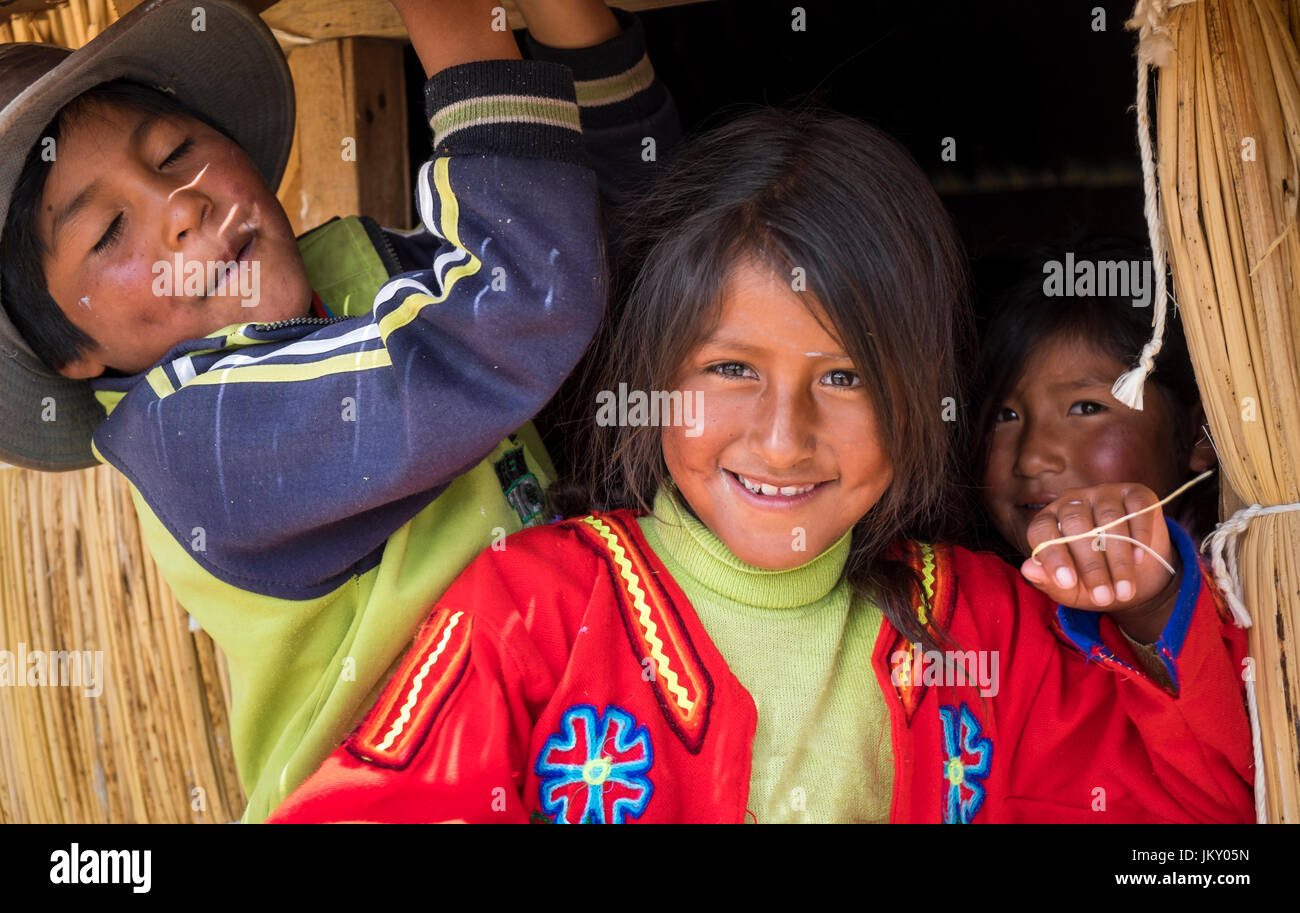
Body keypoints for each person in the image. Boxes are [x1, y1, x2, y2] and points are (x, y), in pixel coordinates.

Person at [268, 110, 1254, 824]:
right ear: (653, 368)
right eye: (731, 368)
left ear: (920, 388)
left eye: (845, 376)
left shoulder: (981, 629)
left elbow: (1205, 813)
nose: (782, 438)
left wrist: (1145, 608)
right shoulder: (530, 615)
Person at [0, 0, 678, 822]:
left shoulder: (361, 275)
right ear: (76, 355)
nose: (181, 206)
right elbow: (522, 301)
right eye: (109, 231)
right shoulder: (192, 437)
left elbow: (617, 261)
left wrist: (576, 27)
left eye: (177, 152)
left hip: (564, 743)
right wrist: (459, 28)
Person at [975, 236, 1220, 561]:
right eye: (1003, 415)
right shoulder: (959, 588)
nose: (1032, 460)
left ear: (1199, 436)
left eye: (1086, 408)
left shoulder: (1247, 585)